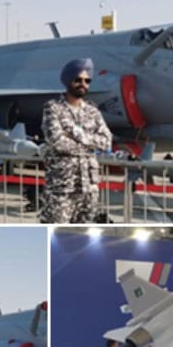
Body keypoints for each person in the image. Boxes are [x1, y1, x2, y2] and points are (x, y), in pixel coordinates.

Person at [40, 58, 112, 224]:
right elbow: (57, 142)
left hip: (89, 189)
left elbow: (106, 141)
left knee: (83, 234)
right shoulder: (53, 108)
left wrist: (76, 133)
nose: (83, 84)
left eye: (87, 81)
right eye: (78, 80)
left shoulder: (92, 111)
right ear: (68, 81)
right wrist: (90, 146)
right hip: (62, 188)